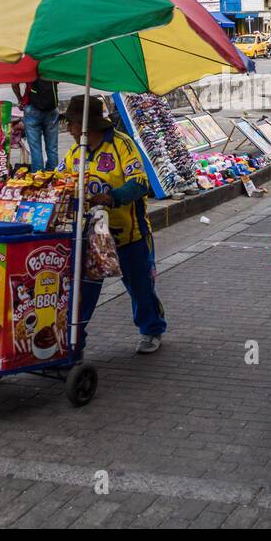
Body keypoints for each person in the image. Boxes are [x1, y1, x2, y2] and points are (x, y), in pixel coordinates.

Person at [62, 94, 166, 355]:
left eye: (72, 123)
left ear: (86, 125)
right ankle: (75, 341)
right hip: (92, 236)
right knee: (83, 290)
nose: (68, 129)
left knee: (140, 286)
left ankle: (151, 328)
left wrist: (111, 197)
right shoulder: (75, 153)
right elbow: (61, 181)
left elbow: (140, 182)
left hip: (129, 233)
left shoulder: (122, 145)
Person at [13, 76, 60, 171]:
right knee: (52, 148)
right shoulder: (50, 63)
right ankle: (53, 176)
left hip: (32, 108)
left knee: (35, 149)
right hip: (51, 109)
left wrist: (20, 99)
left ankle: (39, 178)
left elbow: (14, 84)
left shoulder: (27, 63)